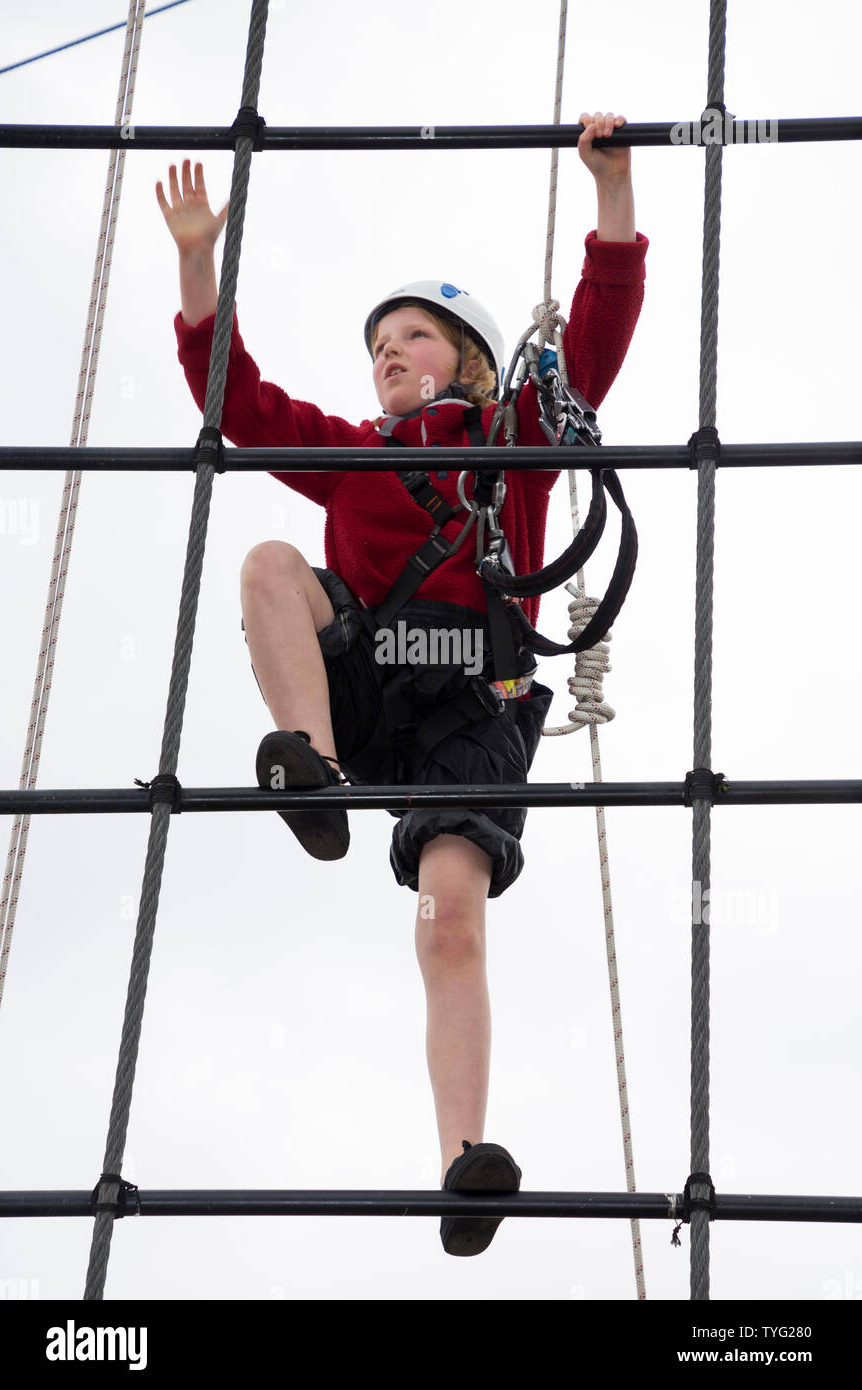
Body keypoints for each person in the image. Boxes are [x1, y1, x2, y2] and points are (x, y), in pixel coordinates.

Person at [156, 111, 648, 1256]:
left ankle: (460, 1160)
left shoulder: (518, 432)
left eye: (411, 337)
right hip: (367, 697)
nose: (386, 352)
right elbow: (240, 406)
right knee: (272, 563)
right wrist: (196, 265)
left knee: (446, 921)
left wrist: (609, 197)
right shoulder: (352, 459)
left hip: (473, 712)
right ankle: (311, 770)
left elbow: (596, 334)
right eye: (377, 341)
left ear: (465, 359)